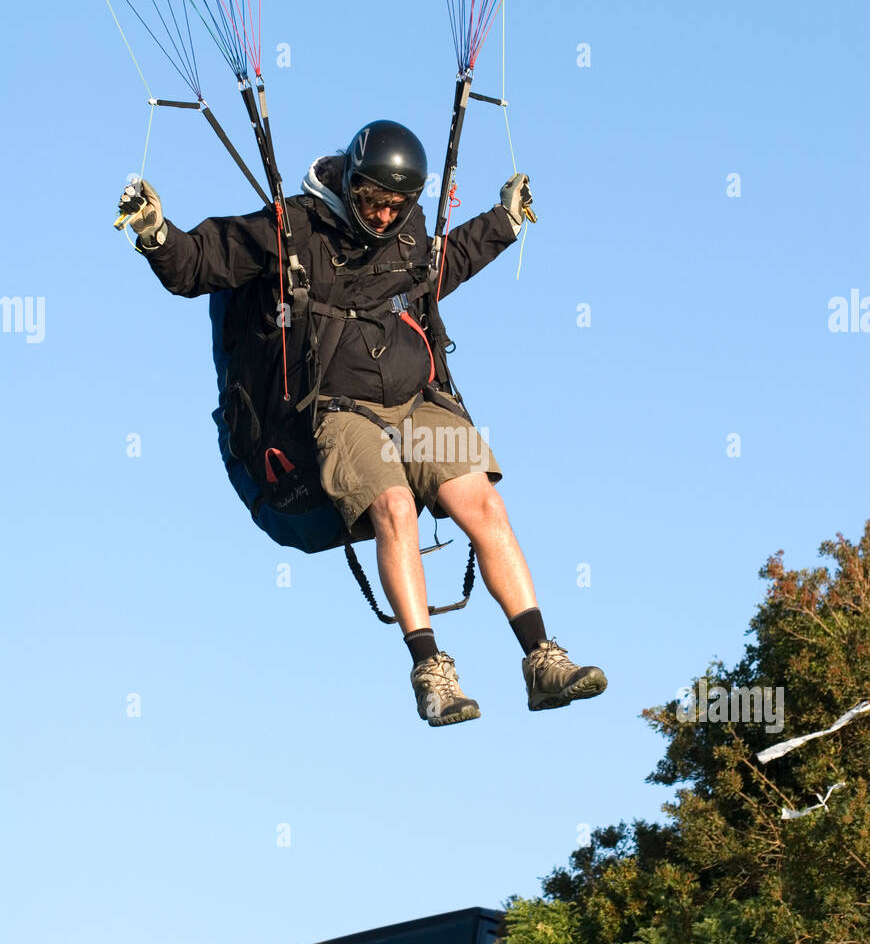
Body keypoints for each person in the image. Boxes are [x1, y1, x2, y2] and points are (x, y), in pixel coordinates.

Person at [120, 119, 607, 726]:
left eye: (396, 206)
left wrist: (503, 223)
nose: (382, 216)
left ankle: (541, 660)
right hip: (338, 409)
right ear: (350, 181)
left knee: (483, 503)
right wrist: (157, 234)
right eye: (373, 201)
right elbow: (200, 264)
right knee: (394, 508)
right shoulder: (291, 228)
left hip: (417, 400)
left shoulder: (408, 230)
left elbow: (440, 269)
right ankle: (432, 673)